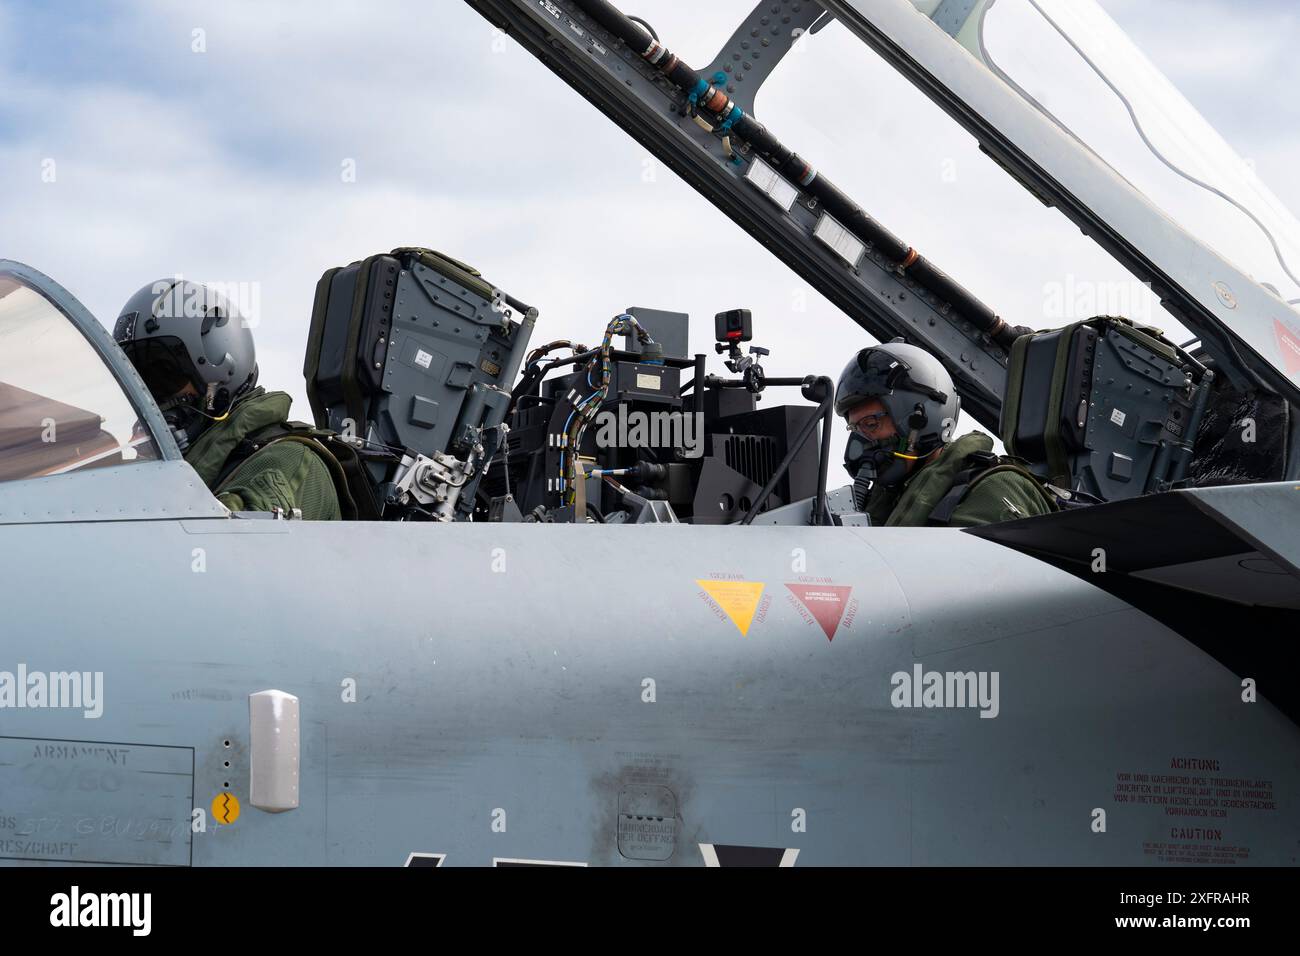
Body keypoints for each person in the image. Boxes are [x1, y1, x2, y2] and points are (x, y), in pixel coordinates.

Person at [113, 278, 342, 520]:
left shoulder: (287, 462)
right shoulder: (183, 467)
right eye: (138, 382)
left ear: (220, 373)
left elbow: (226, 540)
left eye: (164, 376)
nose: (152, 399)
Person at [835, 340, 1054, 527]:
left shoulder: (991, 490)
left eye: (871, 424)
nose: (861, 441)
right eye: (855, 429)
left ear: (920, 420)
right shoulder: (882, 505)